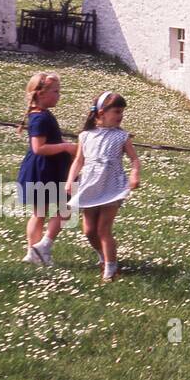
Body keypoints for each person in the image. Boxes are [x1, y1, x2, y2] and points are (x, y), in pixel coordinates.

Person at [66, 91, 140, 281]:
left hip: (112, 187)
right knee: (89, 231)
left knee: (103, 229)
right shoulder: (85, 136)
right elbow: (78, 161)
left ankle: (111, 267)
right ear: (101, 112)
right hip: (90, 186)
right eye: (116, 111)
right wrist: (70, 180)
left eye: (122, 112)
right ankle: (103, 256)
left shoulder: (122, 137)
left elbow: (134, 160)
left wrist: (134, 174)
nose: (120, 116)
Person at [16, 71, 77, 265]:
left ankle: (34, 251)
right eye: (56, 91)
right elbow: (39, 148)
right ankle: (40, 247)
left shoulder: (40, 114)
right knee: (65, 209)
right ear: (41, 93)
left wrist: (61, 143)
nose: (59, 95)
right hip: (44, 171)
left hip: (46, 169)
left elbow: (47, 142)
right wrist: (66, 147)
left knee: (40, 213)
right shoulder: (40, 118)